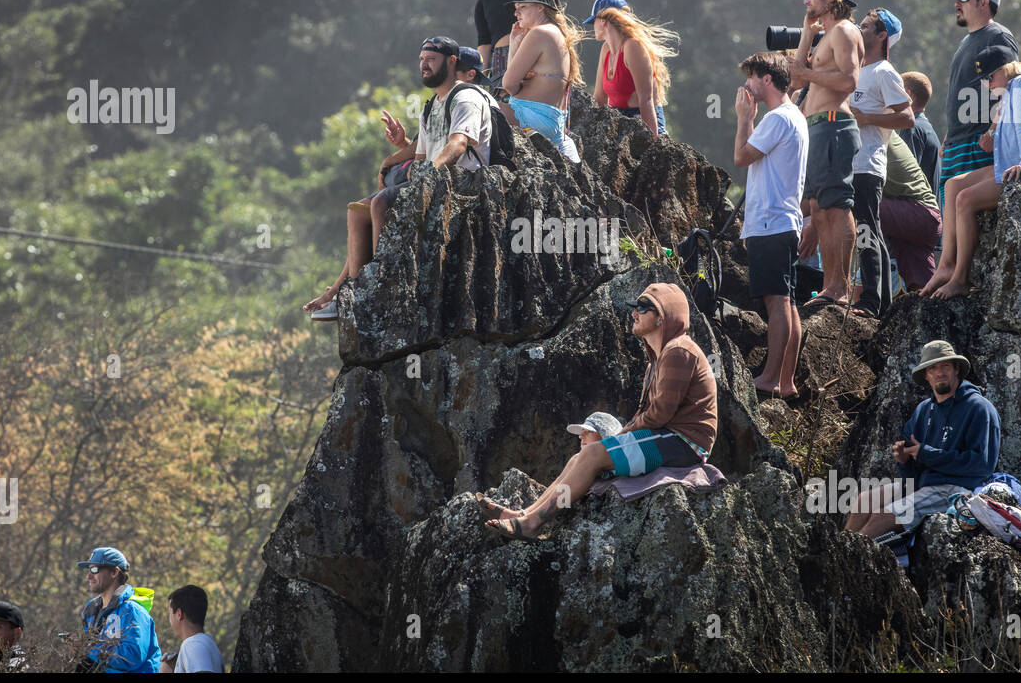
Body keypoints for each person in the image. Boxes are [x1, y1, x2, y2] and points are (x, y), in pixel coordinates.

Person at [480, 284, 717, 539]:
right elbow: (648, 413)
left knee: (592, 455)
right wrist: (626, 433)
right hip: (667, 437)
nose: (634, 313)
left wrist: (624, 433)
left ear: (664, 317)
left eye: (643, 307)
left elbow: (660, 414)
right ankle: (526, 514)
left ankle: (532, 525)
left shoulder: (678, 351)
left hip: (684, 443)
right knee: (578, 458)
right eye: (635, 307)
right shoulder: (657, 361)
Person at [303, 36, 494, 319]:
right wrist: (398, 159)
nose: (424, 65)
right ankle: (355, 291)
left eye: (431, 59)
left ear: (452, 62)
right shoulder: (431, 107)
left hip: (465, 180)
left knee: (381, 203)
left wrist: (430, 170)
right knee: (358, 211)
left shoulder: (466, 96)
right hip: (437, 179)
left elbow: (458, 144)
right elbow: (420, 157)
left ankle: (380, 286)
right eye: (421, 60)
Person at [922, 47, 1021, 299]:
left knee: (965, 200)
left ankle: (960, 279)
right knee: (952, 186)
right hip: (1017, 163)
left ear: (1005, 69)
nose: (987, 84)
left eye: (990, 77)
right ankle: (946, 265)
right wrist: (992, 133)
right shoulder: (1014, 89)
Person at [844, 340, 1000, 537]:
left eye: (945, 366)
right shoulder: (923, 410)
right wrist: (904, 461)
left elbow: (982, 465)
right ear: (926, 375)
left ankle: (850, 558)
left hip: (956, 488)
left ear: (956, 369)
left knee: (883, 516)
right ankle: (840, 553)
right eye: (933, 368)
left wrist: (926, 453)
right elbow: (913, 473)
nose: (939, 372)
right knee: (865, 500)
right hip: (923, 484)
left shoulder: (979, 408)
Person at [787, 0, 863, 309]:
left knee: (836, 206)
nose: (806, 0)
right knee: (818, 208)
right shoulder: (826, 34)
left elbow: (849, 80)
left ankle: (841, 286)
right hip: (817, 127)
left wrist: (807, 74)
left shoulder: (845, 31)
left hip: (835, 125)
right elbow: (794, 74)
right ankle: (829, 284)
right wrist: (806, 31)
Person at [734, 50, 807, 400]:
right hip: (785, 220)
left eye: (751, 77)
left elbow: (742, 157)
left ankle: (770, 377)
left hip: (770, 222)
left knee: (776, 302)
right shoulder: (795, 115)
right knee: (788, 301)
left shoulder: (777, 118)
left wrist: (743, 118)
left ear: (766, 79)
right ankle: (787, 380)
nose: (746, 84)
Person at [848, 7, 914, 318]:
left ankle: (870, 302)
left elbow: (907, 116)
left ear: (882, 34)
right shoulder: (855, 68)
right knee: (866, 228)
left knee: (865, 229)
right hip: (849, 163)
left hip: (867, 164)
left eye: (864, 26)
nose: (858, 30)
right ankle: (882, 304)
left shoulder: (884, 71)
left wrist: (866, 118)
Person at [939, 0, 1019, 206]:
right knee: (950, 214)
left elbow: (1010, 86)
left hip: (978, 141)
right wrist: (949, 135)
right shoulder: (967, 41)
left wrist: (994, 131)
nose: (957, 3)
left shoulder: (998, 36)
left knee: (969, 214)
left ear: (984, 3)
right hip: (958, 141)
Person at [501, 0, 583, 163]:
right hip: (551, 122)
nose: (517, 13)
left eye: (523, 7)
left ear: (540, 7)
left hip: (531, 117)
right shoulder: (556, 33)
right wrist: (514, 44)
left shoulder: (539, 33)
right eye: (516, 9)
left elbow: (509, 85)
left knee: (477, 106)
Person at [585, 0, 680, 138]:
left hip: (643, 118)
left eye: (594, 21)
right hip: (618, 119)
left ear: (604, 22)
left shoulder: (632, 47)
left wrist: (653, 142)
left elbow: (646, 100)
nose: (593, 26)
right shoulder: (606, 50)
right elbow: (599, 97)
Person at [75, 546, 161, 673]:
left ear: (114, 572)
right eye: (88, 570)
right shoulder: (92, 613)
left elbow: (133, 656)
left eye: (94, 569)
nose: (88, 576)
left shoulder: (132, 610)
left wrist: (88, 649)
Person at [879, 132, 941, 292]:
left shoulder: (872, 132)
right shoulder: (882, 129)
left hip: (919, 214)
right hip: (924, 217)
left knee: (861, 206)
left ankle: (852, 287)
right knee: (923, 292)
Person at [167, 584, 224, 673]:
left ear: (179, 614)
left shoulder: (192, 644)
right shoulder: (207, 643)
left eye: (170, 614)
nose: (169, 620)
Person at [900, 71, 941, 192]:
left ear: (908, 94)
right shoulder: (926, 127)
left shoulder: (911, 128)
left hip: (920, 208)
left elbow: (906, 178)